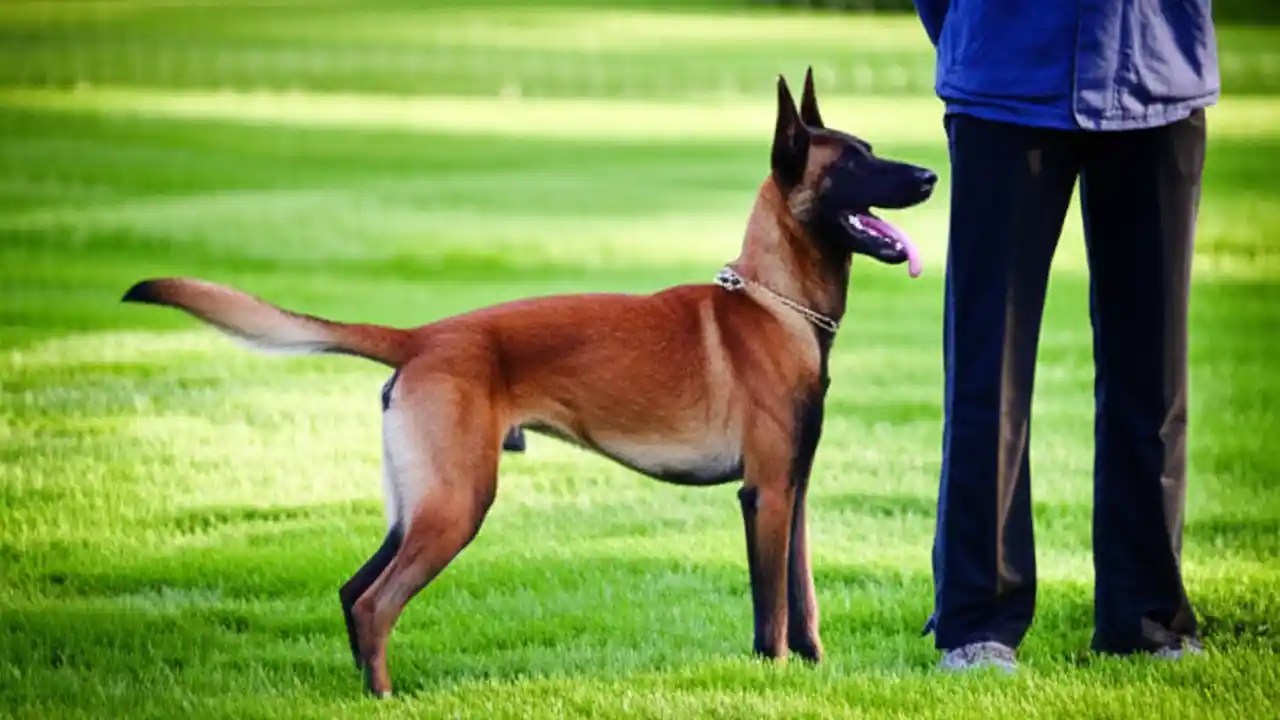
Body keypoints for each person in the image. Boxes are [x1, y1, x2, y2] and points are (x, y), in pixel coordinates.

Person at [911, 0, 1220, 670]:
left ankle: (1149, 620)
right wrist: (968, 29)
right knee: (988, 371)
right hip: (1005, 74)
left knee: (1154, 373)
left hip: (1157, 72)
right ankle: (977, 624)